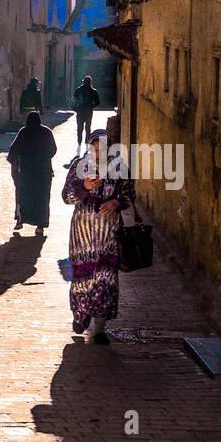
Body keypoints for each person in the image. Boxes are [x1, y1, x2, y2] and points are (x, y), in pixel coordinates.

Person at [61, 132, 133, 344]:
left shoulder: (119, 167)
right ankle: (81, 316)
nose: (98, 153)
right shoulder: (79, 166)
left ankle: (100, 328)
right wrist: (84, 188)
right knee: (83, 277)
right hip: (82, 235)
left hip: (108, 234)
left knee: (106, 278)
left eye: (102, 148)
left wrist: (116, 203)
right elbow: (66, 196)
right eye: (94, 148)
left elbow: (129, 194)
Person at [5, 110, 57, 234]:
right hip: (44, 172)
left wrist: (15, 161)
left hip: (26, 173)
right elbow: (53, 150)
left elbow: (13, 151)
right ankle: (40, 226)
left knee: (24, 196)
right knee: (42, 198)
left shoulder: (24, 132)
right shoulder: (46, 132)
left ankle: (20, 220)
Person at [71, 75, 101, 147]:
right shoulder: (93, 91)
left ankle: (79, 142)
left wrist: (75, 109)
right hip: (88, 112)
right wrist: (91, 106)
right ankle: (87, 143)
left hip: (80, 111)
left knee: (80, 128)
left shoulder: (78, 90)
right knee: (88, 128)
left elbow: (73, 101)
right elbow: (98, 102)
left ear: (83, 82)